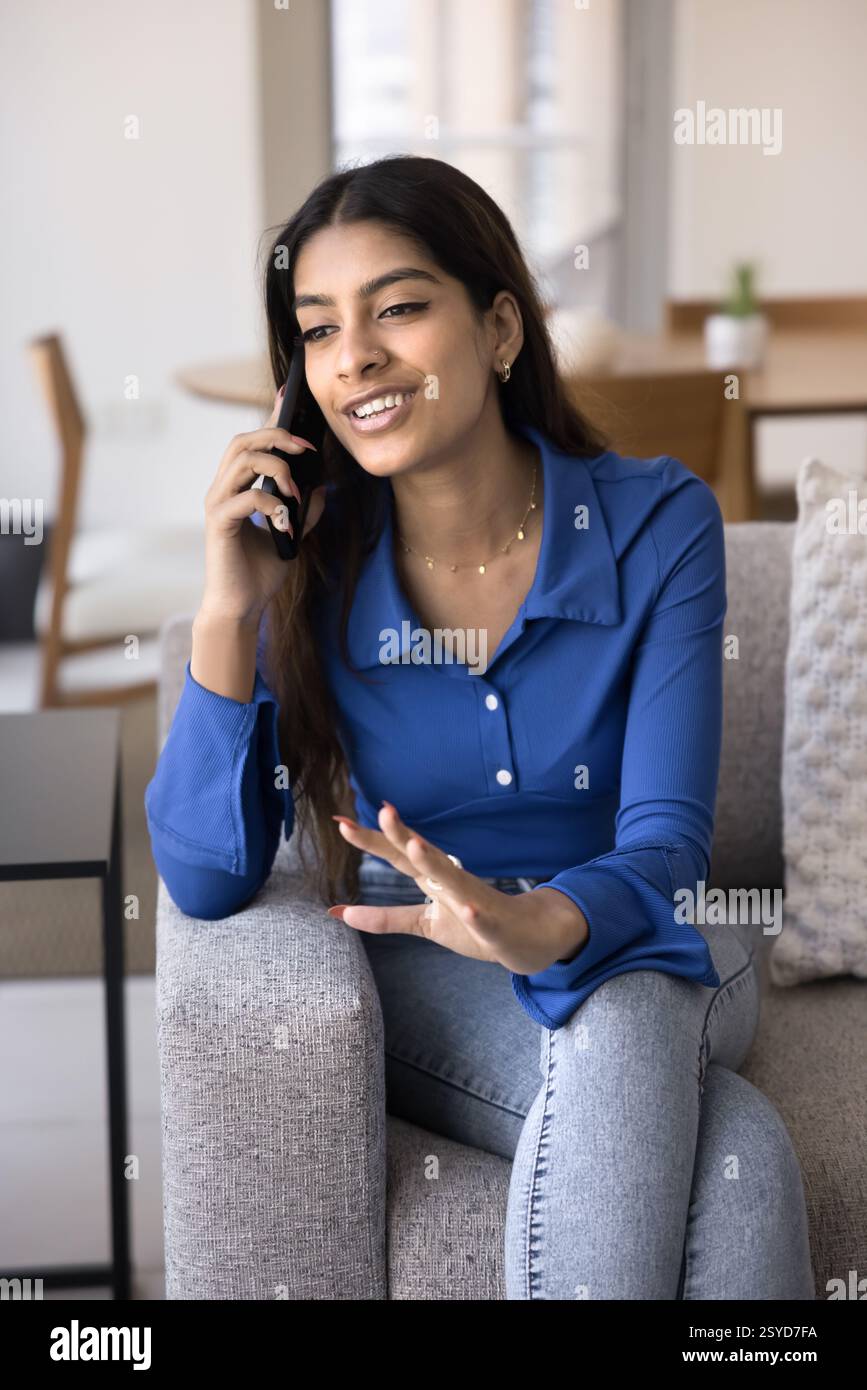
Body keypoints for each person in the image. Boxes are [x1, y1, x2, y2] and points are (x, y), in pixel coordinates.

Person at [145, 155, 814, 1300]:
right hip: (428, 973)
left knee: (635, 990)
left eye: (398, 308)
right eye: (317, 330)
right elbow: (208, 883)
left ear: (500, 327)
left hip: (637, 928)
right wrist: (227, 608)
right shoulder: (311, 561)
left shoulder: (661, 522)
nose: (353, 357)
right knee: (740, 1159)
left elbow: (663, 849)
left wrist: (538, 919)